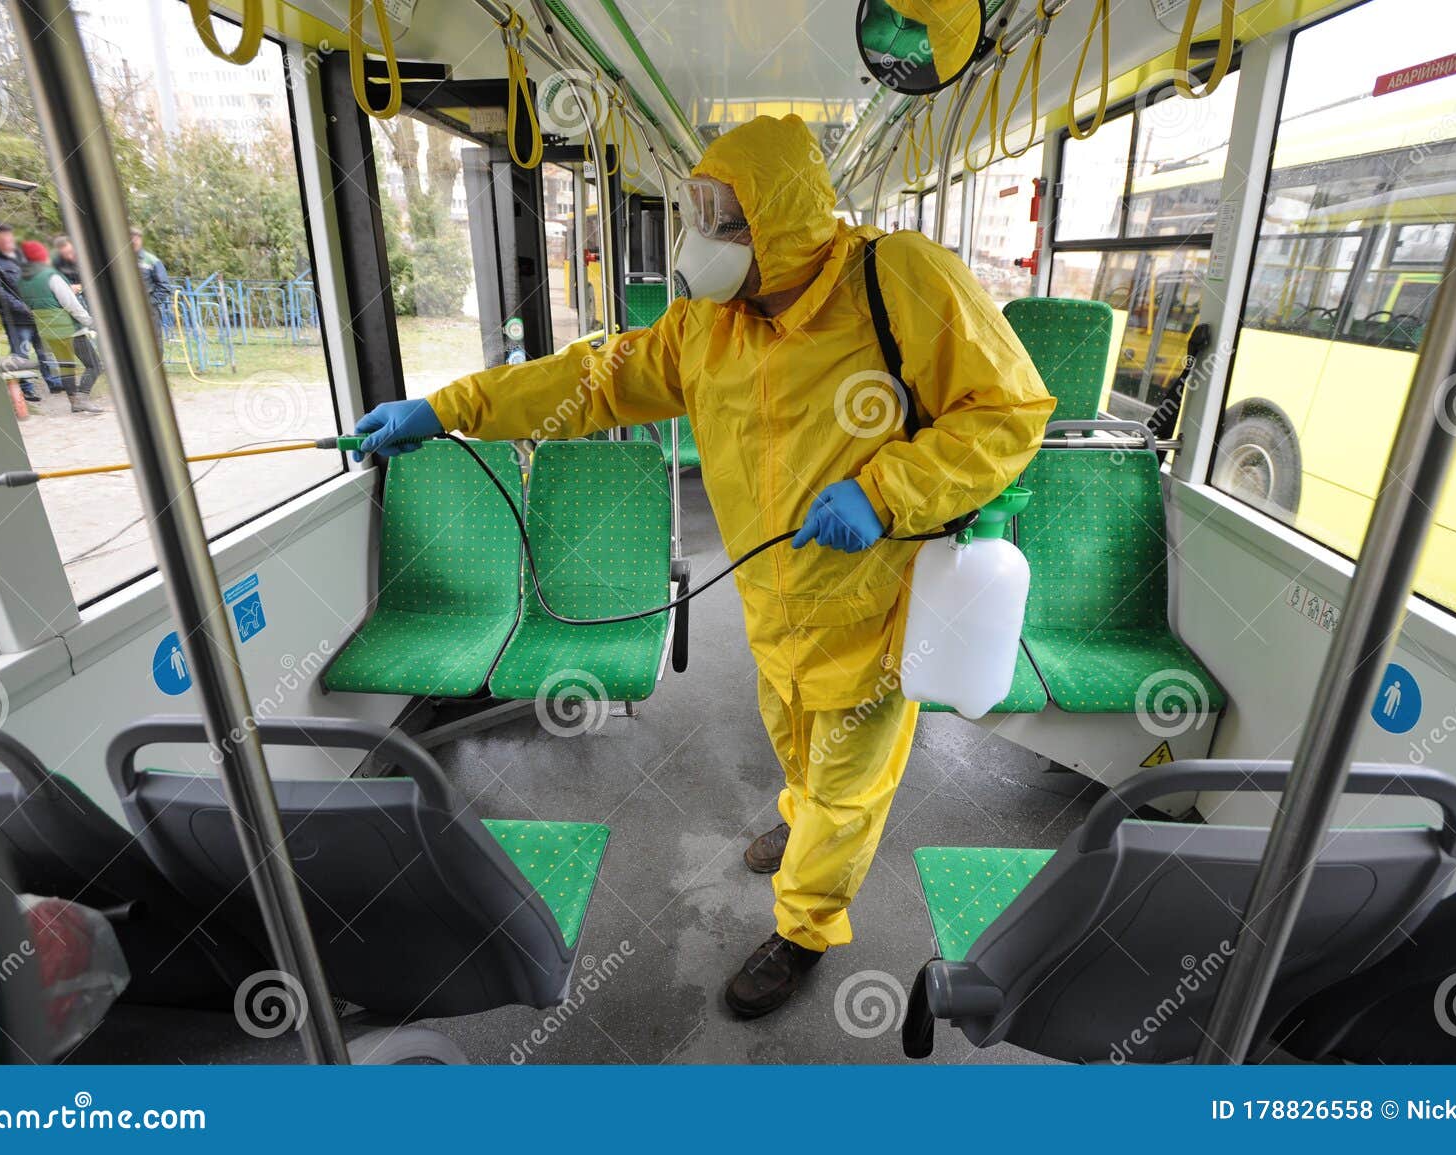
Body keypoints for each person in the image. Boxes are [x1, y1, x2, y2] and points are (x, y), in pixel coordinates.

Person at [352, 115, 1054, 1018]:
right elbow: (598, 379)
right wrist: (450, 407)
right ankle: (797, 819)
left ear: (787, 223)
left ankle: (804, 930)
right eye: (702, 213)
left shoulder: (899, 278)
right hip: (771, 597)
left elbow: (1007, 411)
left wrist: (885, 491)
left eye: (730, 219)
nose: (707, 238)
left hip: (876, 598)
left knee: (848, 784)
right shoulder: (706, 322)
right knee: (795, 737)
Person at [0, 220, 64, 406]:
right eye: (4, 236)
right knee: (20, 353)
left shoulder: (17, 255)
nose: (10, 239)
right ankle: (26, 390)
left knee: (44, 349)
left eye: (10, 235)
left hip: (37, 312)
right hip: (16, 318)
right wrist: (25, 309)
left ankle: (55, 383)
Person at [19, 241, 104, 414]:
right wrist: (90, 322)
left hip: (49, 332)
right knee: (94, 365)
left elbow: (30, 306)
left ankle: (74, 402)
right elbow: (71, 305)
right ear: (42, 257)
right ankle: (82, 399)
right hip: (70, 330)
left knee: (66, 366)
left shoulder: (21, 281)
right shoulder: (51, 277)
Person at [130, 227, 173, 330]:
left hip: (149, 313)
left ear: (140, 240)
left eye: (135, 239)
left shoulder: (152, 261)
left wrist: (148, 303)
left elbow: (164, 287)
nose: (133, 242)